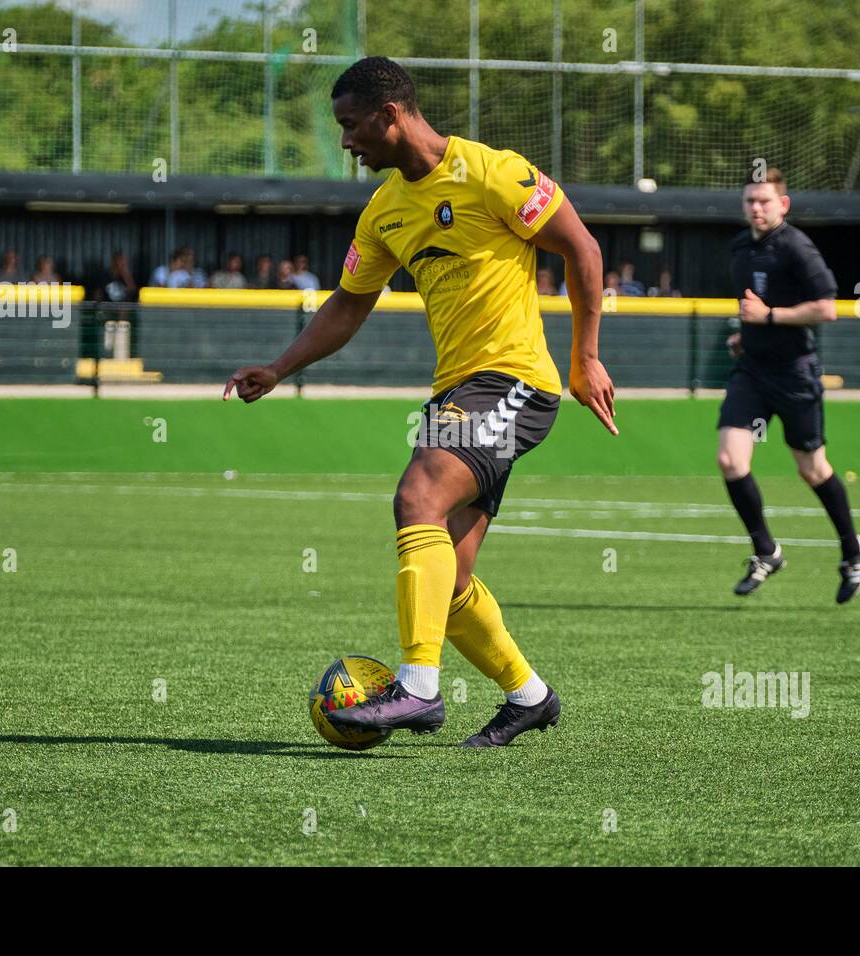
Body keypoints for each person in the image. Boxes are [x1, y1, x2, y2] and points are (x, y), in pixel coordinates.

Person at [223, 56, 616, 747]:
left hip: (516, 381)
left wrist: (584, 358)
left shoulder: (493, 172)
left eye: (351, 126)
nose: (346, 142)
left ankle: (417, 690)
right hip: (458, 390)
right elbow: (348, 305)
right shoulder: (382, 212)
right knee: (452, 580)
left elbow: (581, 249)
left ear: (391, 115)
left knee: (417, 497)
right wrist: (281, 367)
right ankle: (530, 695)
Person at [717, 167, 860, 603]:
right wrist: (745, 335)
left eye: (764, 200)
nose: (756, 208)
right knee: (730, 459)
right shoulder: (740, 248)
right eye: (750, 200)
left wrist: (769, 317)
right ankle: (766, 550)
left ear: (783, 204)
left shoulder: (797, 247)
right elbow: (752, 308)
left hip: (794, 373)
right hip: (752, 370)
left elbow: (827, 309)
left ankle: (853, 548)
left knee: (812, 469)